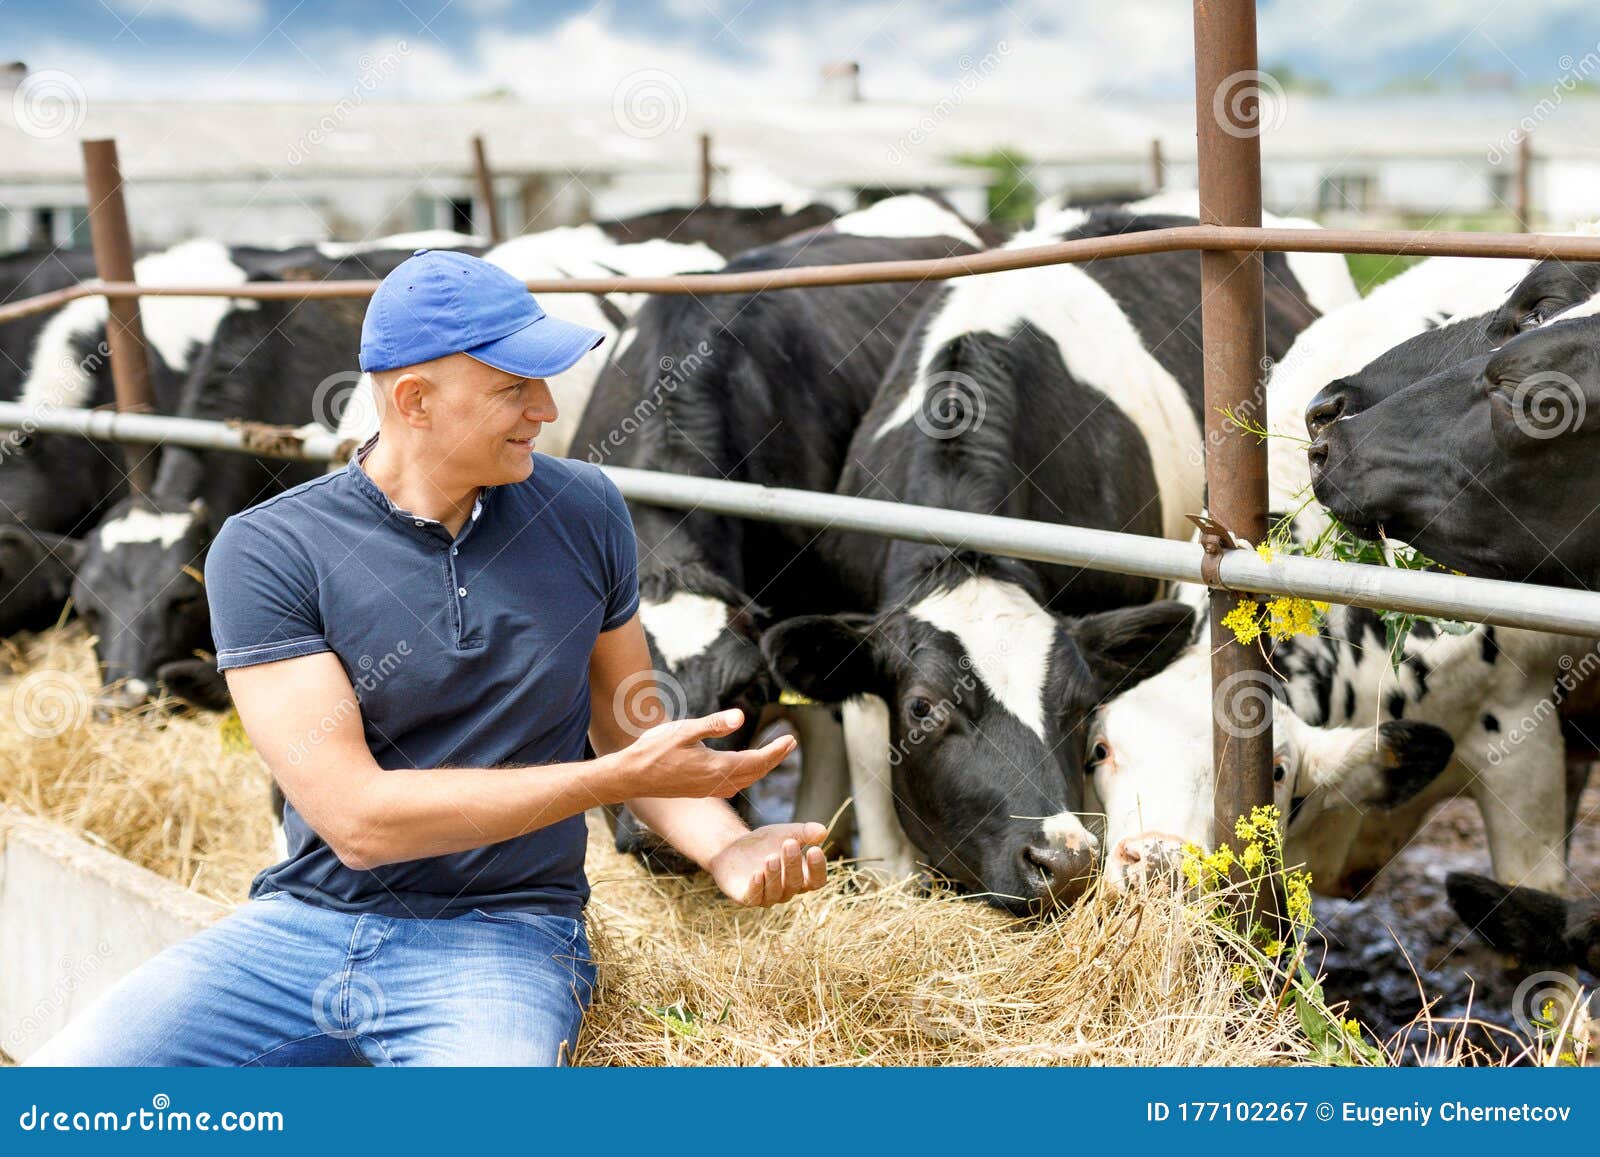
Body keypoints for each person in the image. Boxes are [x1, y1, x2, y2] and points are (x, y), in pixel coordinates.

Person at [29, 249, 827, 1067]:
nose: (548, 409)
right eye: (516, 388)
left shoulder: (585, 510)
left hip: (504, 941)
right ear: (413, 399)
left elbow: (629, 734)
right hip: (301, 930)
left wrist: (727, 844)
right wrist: (611, 783)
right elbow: (358, 820)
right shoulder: (269, 548)